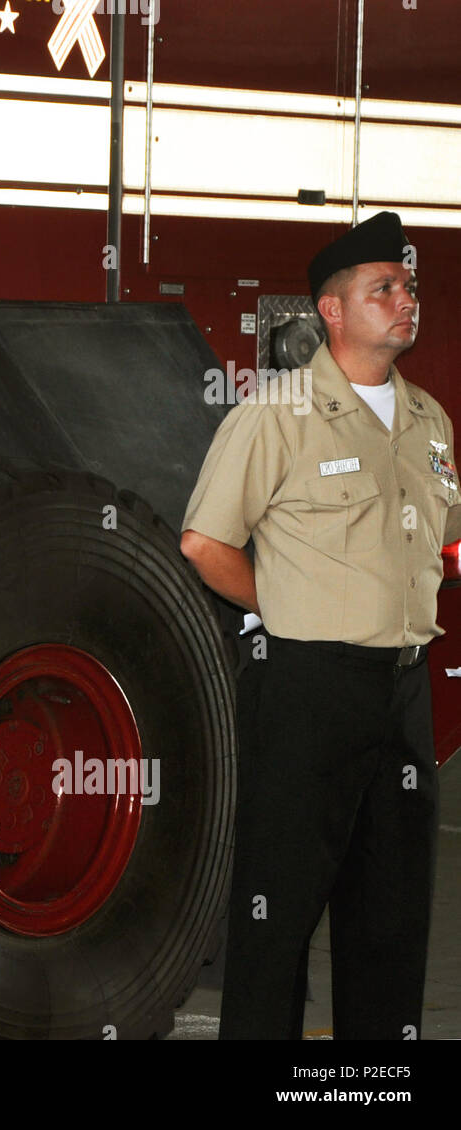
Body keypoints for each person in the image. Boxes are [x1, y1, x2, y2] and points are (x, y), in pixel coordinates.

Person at [181, 210, 461, 1039]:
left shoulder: (429, 420)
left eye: (409, 287)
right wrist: (285, 605)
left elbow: (442, 542)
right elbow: (204, 542)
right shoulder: (280, 413)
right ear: (332, 311)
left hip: (403, 693)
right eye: (384, 288)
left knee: (392, 922)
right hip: (309, 690)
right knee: (277, 919)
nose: (406, 300)